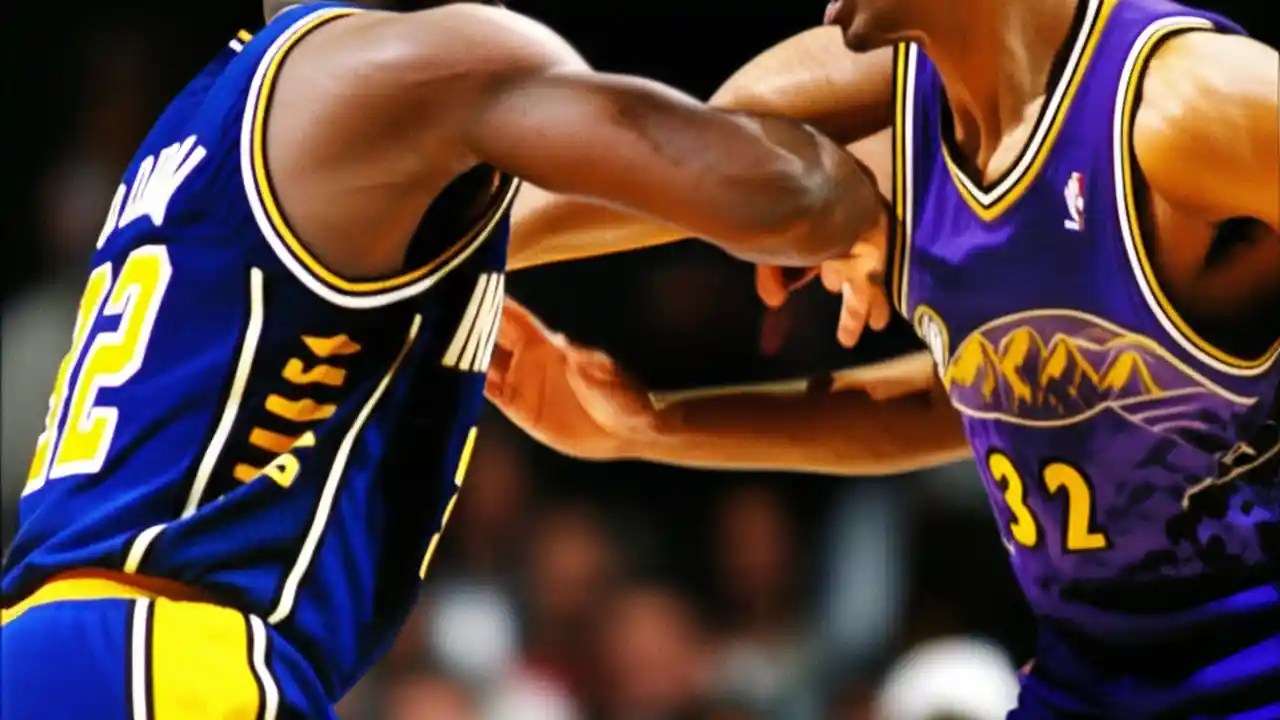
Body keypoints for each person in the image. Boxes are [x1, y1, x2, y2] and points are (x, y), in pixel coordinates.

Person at [0, 0, 888, 717]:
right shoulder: (440, 60)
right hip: (171, 662)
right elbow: (768, 187)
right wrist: (873, 206)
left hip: (55, 648)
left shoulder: (213, 114)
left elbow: (555, 212)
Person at [487, 0, 1280, 716]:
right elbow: (665, 164)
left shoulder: (1186, 106)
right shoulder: (890, 108)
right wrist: (644, 427)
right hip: (1088, 677)